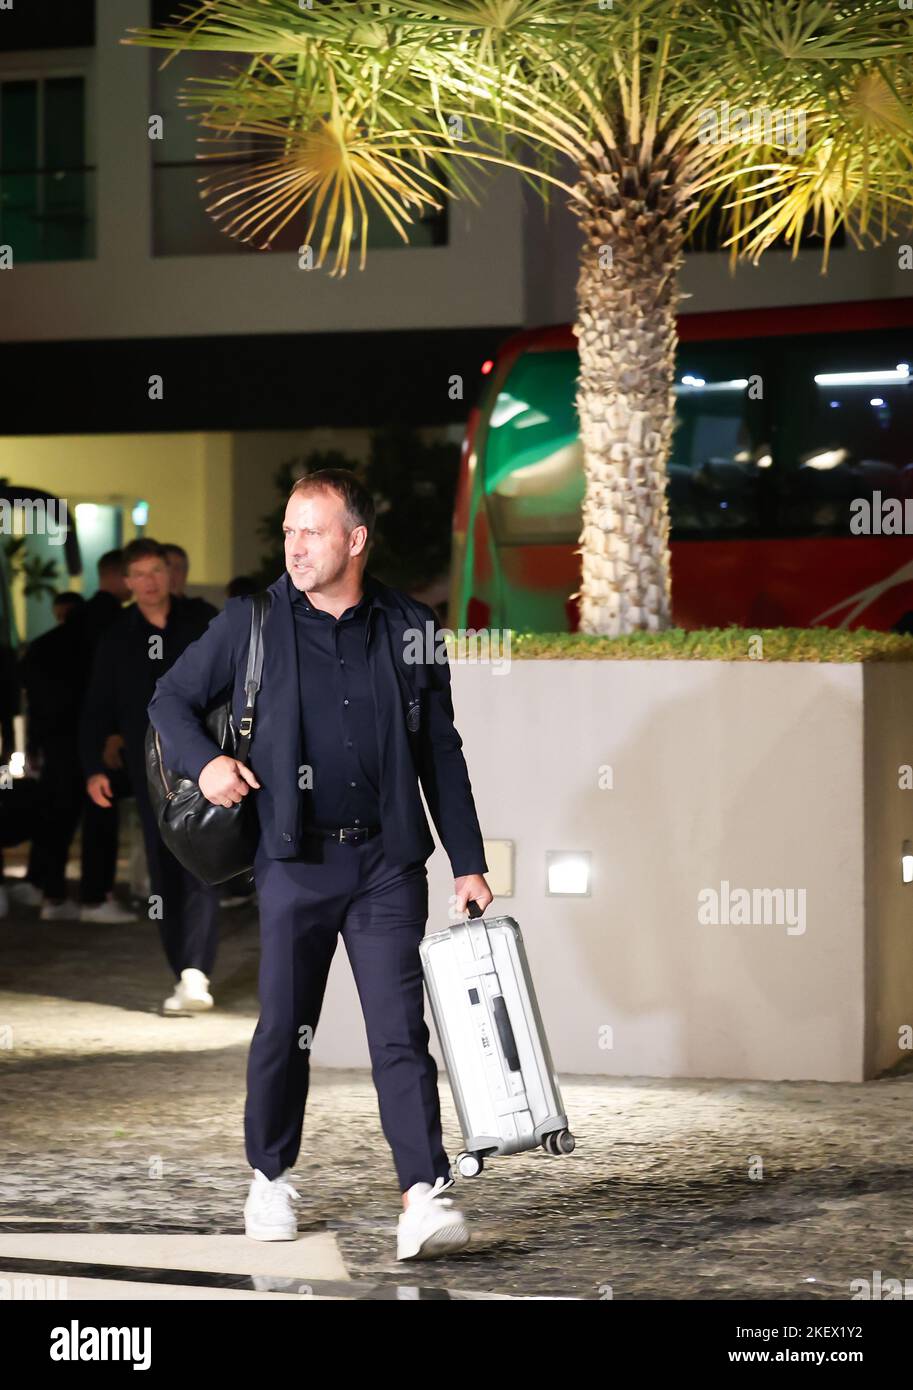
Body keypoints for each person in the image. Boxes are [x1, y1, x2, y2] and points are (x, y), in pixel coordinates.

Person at [148, 469, 493, 1261]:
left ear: (355, 540)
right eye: (289, 532)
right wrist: (204, 765)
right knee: (284, 1029)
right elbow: (167, 699)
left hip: (386, 864)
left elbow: (438, 749)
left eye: (313, 531)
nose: (295, 546)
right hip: (293, 859)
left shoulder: (411, 625)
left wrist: (467, 860)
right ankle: (269, 1177)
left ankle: (422, 1193)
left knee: (400, 1034)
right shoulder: (252, 621)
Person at [79, 539, 222, 1013]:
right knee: (165, 868)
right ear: (127, 582)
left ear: (171, 572)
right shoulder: (118, 637)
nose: (149, 581)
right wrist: (94, 768)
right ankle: (183, 969)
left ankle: (196, 971)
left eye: (157, 570)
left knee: (203, 858)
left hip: (207, 759)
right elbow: (97, 707)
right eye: (138, 574)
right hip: (150, 771)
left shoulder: (200, 621)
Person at [162, 543, 219, 623]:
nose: (171, 575)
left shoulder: (204, 614)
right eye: (166, 568)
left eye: (178, 568)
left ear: (185, 574)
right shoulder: (140, 616)